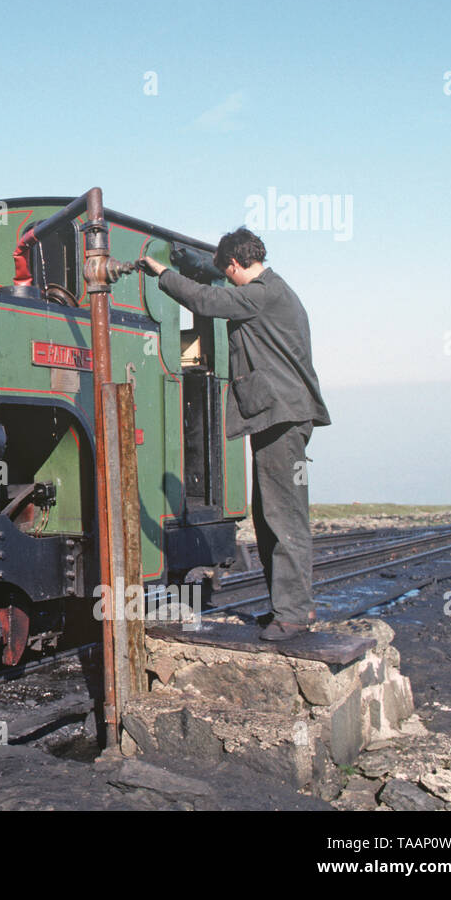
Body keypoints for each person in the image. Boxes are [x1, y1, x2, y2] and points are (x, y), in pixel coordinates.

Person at [139, 228, 330, 642]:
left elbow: (209, 300)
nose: (228, 277)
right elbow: (217, 284)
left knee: (284, 518)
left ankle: (294, 615)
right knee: (268, 517)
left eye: (228, 271)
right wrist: (191, 263)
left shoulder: (264, 295)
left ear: (236, 265)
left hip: (282, 418)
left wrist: (162, 272)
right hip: (277, 416)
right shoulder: (270, 290)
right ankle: (292, 607)